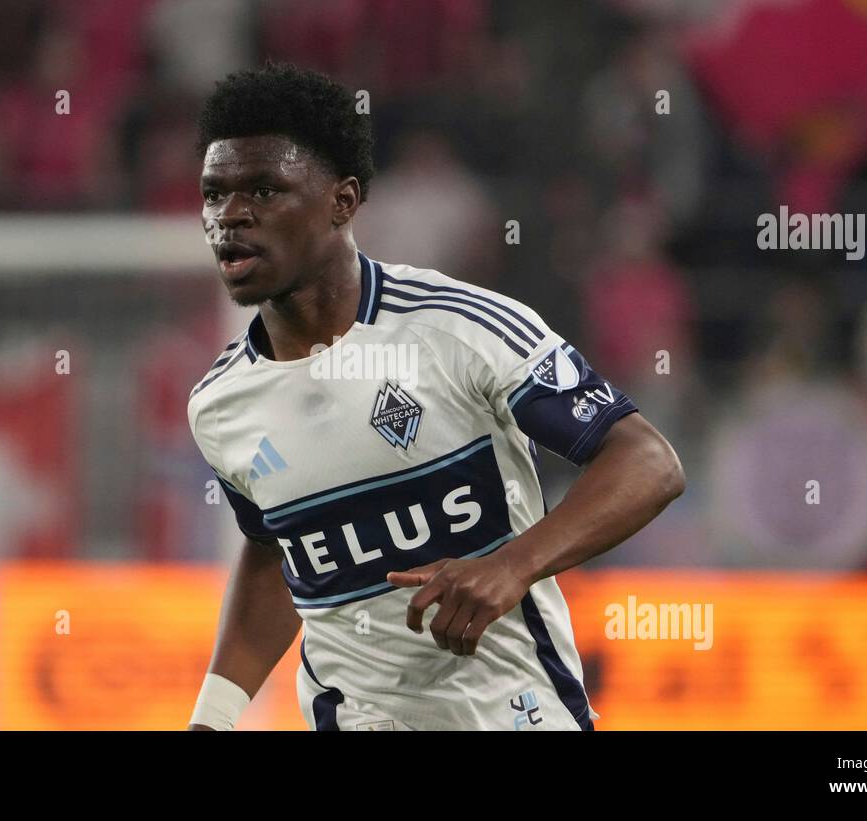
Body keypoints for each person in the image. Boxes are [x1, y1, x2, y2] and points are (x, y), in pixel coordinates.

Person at [186, 63, 684, 731]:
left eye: (264, 190)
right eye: (214, 195)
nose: (231, 216)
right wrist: (211, 719)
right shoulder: (220, 403)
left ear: (343, 201)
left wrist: (513, 565)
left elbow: (648, 461)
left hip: (516, 714)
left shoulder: (459, 328)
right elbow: (278, 549)